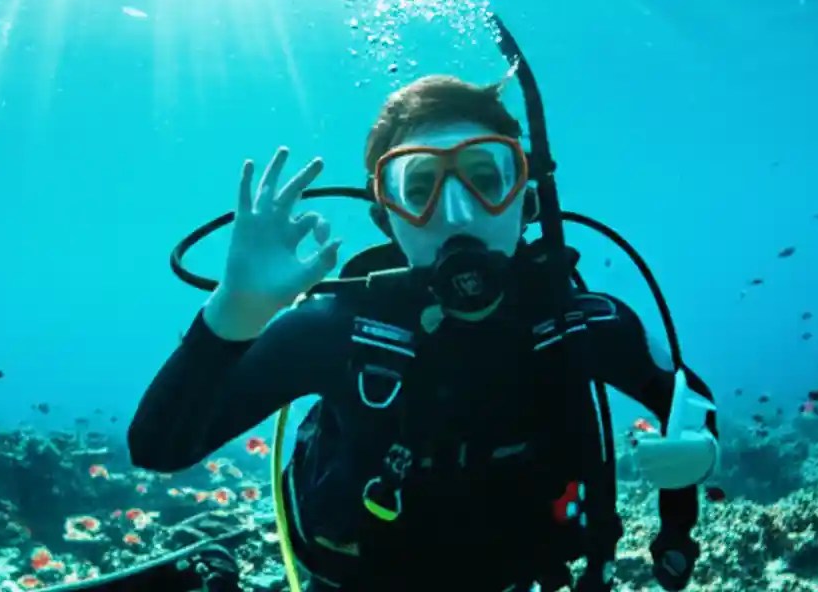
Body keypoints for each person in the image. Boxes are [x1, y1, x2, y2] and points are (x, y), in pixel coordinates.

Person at [122, 71, 722, 592]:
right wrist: (232, 317)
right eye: (419, 187)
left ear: (528, 200)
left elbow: (687, 403)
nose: (456, 213)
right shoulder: (335, 332)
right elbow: (158, 447)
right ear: (387, 218)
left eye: (487, 178)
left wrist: (688, 486)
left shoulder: (586, 325)